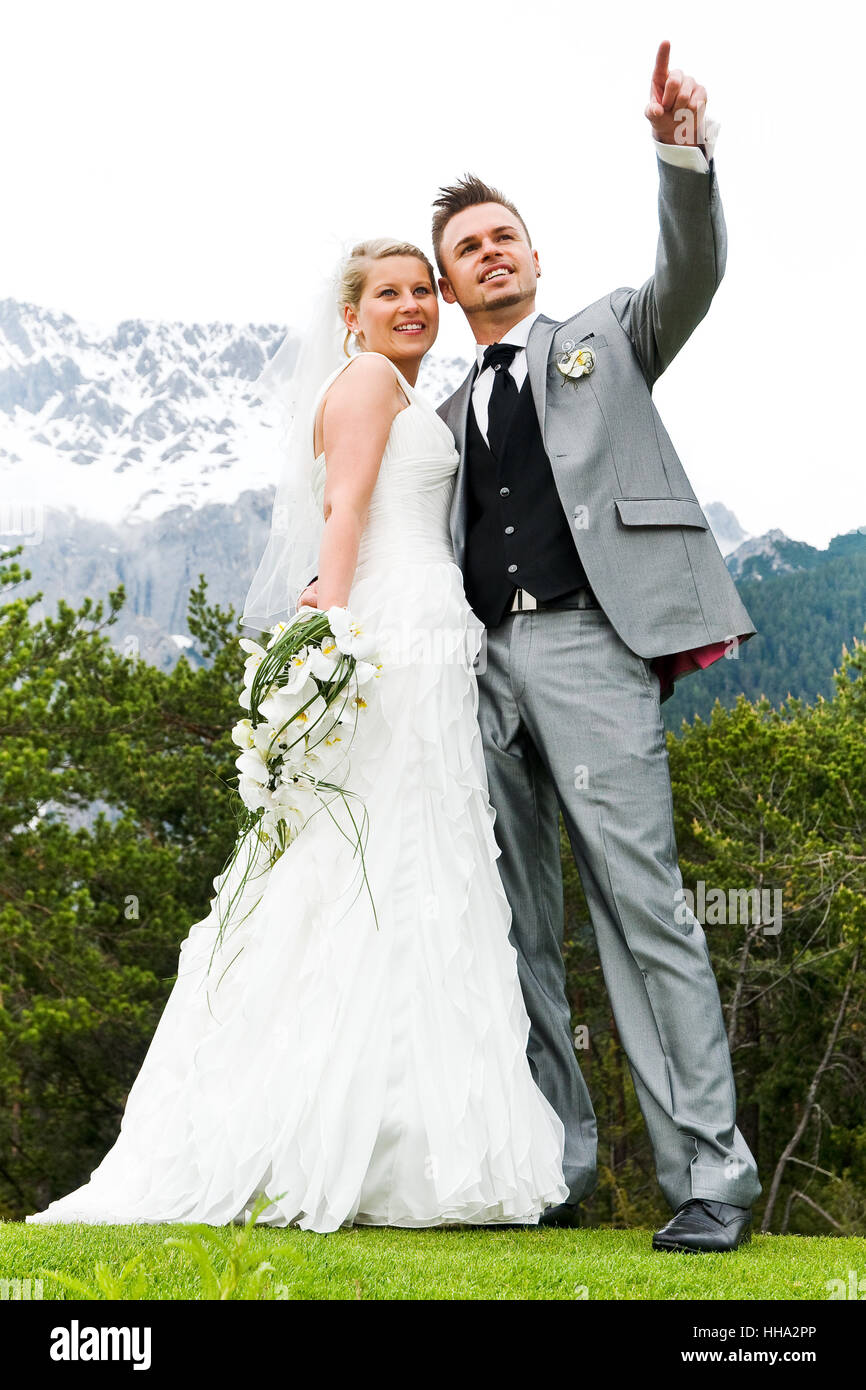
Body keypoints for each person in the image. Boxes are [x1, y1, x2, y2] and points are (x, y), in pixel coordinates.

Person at [304, 40, 762, 1254]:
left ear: (533, 255)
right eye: (464, 250)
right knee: (503, 922)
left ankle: (708, 1175)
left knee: (638, 907)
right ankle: (546, 1163)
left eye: (502, 235)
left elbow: (693, 268)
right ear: (446, 290)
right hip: (470, 672)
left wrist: (679, 151)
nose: (487, 252)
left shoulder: (610, 334)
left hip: (586, 651)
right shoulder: (439, 412)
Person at [24, 239, 569, 1233]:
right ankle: (342, 1136)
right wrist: (332, 630)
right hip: (393, 634)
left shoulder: (402, 392)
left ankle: (406, 1136)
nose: (410, 305)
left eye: (420, 291)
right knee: (372, 862)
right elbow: (345, 509)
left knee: (419, 863)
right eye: (388, 293)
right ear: (352, 315)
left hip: (430, 638)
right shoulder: (365, 380)